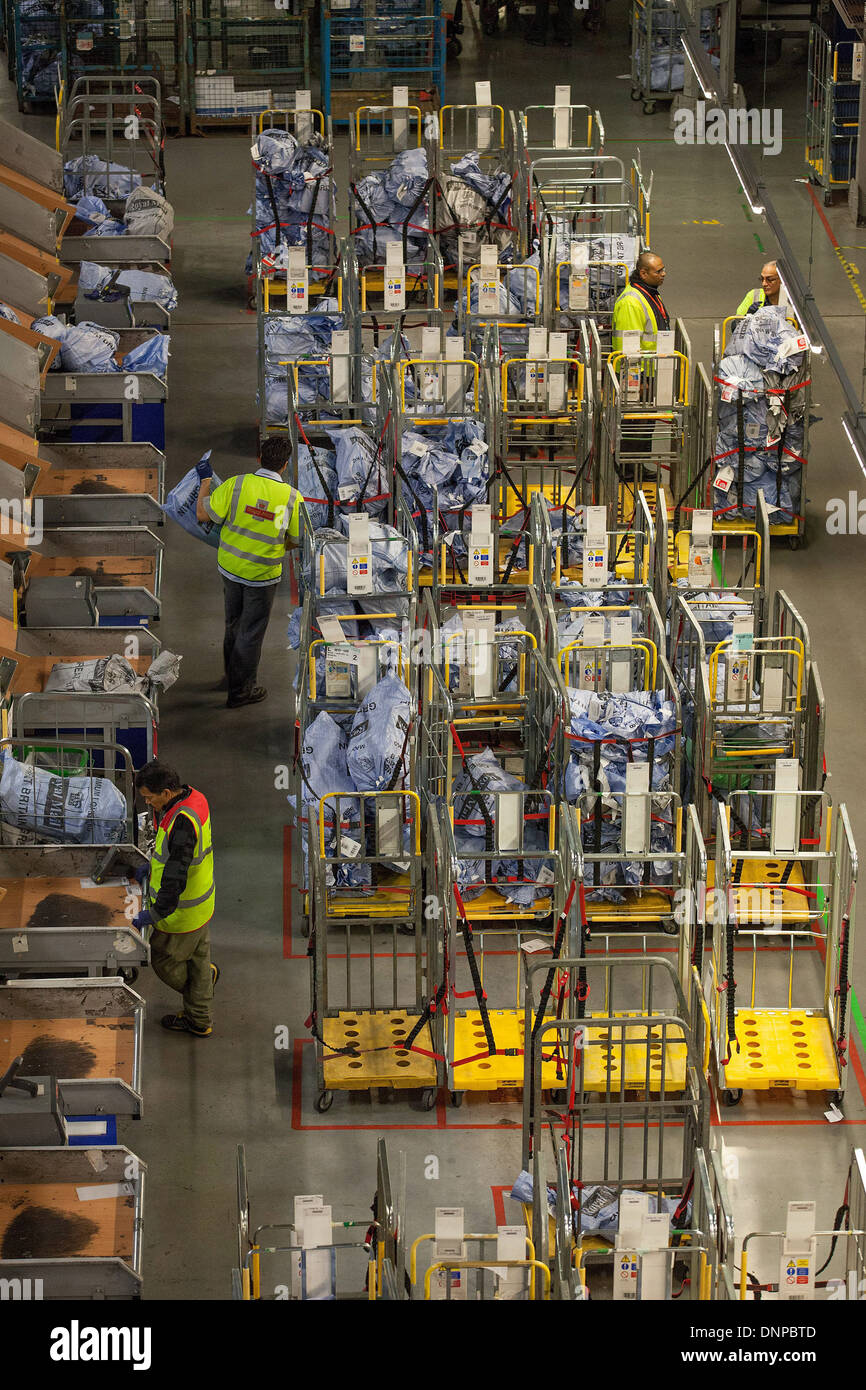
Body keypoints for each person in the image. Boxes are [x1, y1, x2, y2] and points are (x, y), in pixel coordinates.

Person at [195, 435, 304, 709]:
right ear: (285, 465)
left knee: (233, 624)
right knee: (251, 633)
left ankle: (231, 677)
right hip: (262, 577)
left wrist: (205, 481)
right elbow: (297, 538)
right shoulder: (292, 498)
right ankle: (241, 691)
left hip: (230, 569)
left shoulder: (237, 484)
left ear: (260, 458)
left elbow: (202, 514)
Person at [132, 761, 217, 1038]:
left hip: (181, 911)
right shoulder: (194, 798)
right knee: (198, 959)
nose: (147, 802)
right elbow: (173, 858)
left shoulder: (182, 822)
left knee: (163, 961)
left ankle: (199, 1001)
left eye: (149, 797)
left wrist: (157, 913)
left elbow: (176, 874)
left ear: (167, 792)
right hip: (202, 902)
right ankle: (199, 1012)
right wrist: (151, 866)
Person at [611, 251, 670, 355]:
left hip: (653, 364)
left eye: (663, 270)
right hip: (641, 368)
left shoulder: (651, 293)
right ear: (643, 274)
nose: (663, 274)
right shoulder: (630, 303)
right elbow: (630, 349)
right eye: (658, 271)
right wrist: (638, 371)